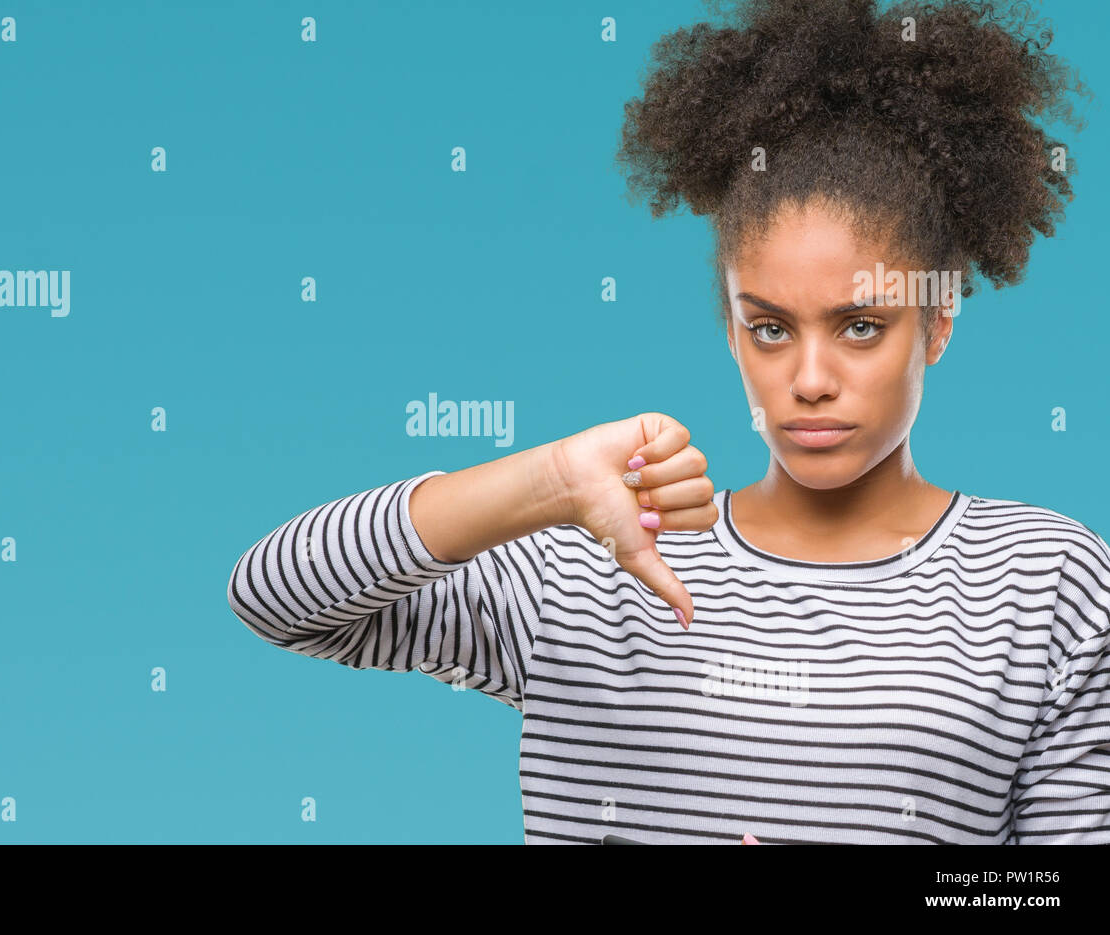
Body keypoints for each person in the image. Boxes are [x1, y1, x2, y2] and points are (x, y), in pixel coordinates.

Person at [227, 0, 1109, 843]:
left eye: (861, 327)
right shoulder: (595, 564)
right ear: (730, 330)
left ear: (940, 318)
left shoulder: (1047, 585)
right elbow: (278, 596)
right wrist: (551, 481)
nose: (808, 379)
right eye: (770, 327)